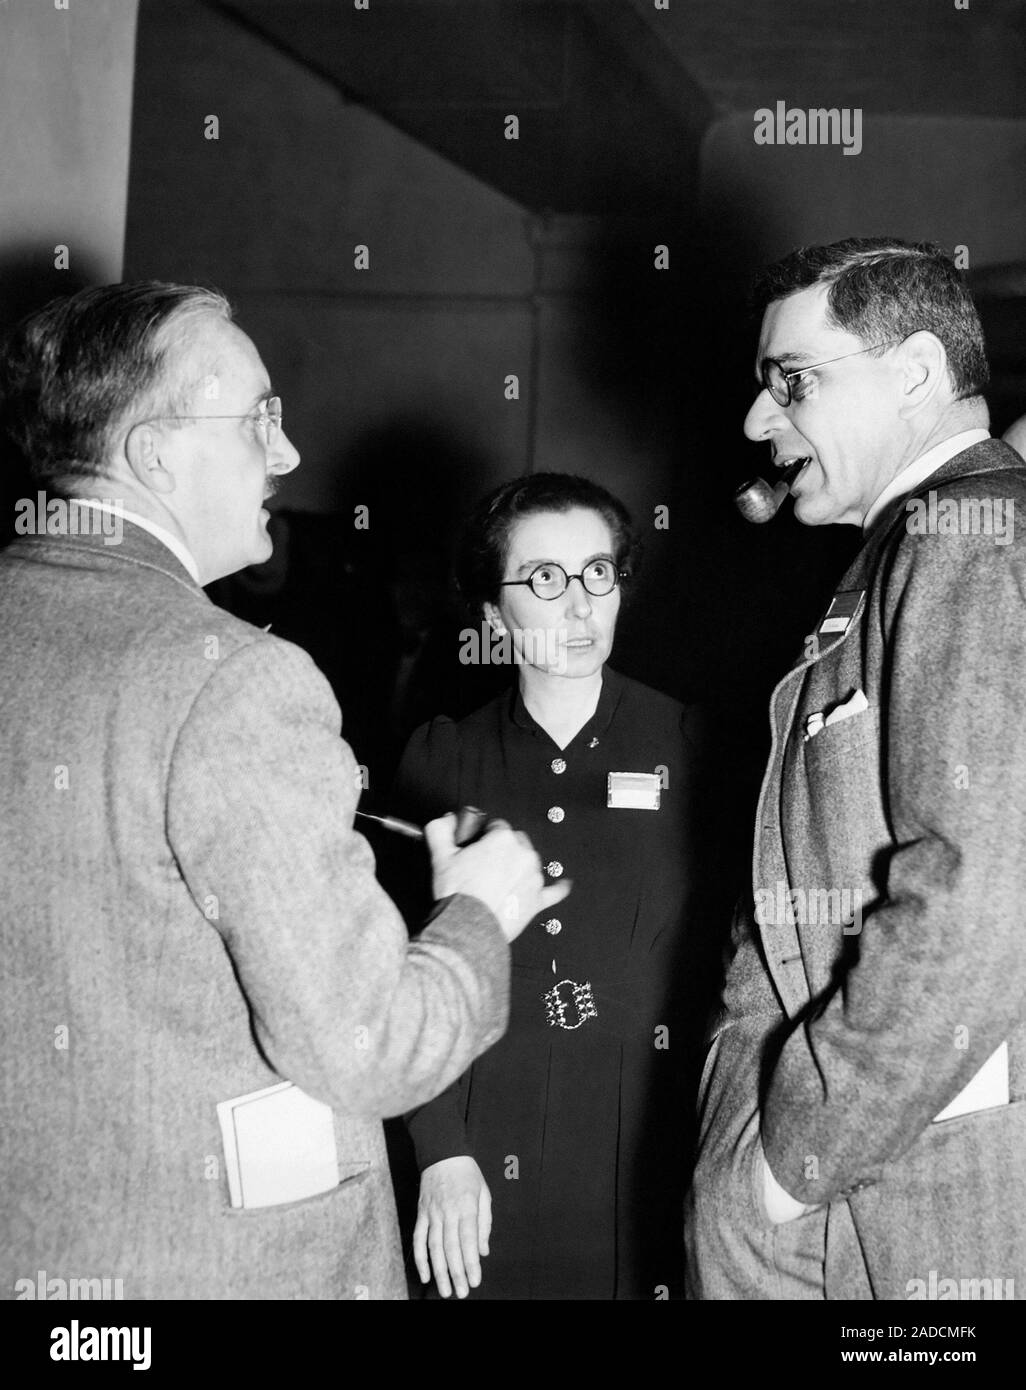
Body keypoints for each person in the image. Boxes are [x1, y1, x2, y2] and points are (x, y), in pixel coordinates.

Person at [0, 282, 569, 1301]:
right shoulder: (231, 675)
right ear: (156, 453)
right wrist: (484, 909)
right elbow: (372, 1046)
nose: (289, 454)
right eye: (257, 417)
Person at [686, 238, 1026, 1300]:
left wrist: (792, 1163)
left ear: (916, 373)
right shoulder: (907, 548)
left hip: (903, 1190)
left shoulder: (971, 539)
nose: (757, 420)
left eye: (793, 381)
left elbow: (982, 887)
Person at [389, 473, 717, 1301]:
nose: (579, 605)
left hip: (652, 1155)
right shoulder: (440, 757)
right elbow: (396, 976)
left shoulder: (696, 746)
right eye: (545, 580)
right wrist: (441, 1151)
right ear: (493, 617)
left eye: (597, 573)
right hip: (479, 1155)